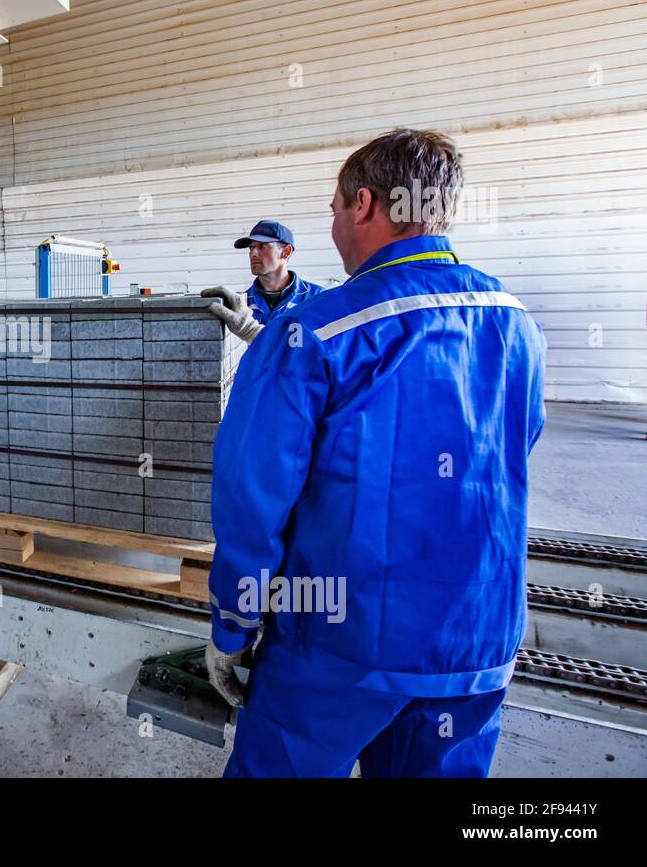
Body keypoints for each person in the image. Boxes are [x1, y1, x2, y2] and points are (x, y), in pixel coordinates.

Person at [205, 129, 546, 777]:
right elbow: (509, 457)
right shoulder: (514, 320)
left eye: (334, 209)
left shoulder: (313, 330)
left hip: (338, 646)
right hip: (475, 641)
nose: (334, 224)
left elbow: (253, 499)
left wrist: (232, 623)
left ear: (363, 204)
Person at [202, 220, 324, 343]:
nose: (253, 254)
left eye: (262, 246)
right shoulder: (242, 307)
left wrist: (249, 331)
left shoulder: (317, 299)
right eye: (251, 248)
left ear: (286, 252)